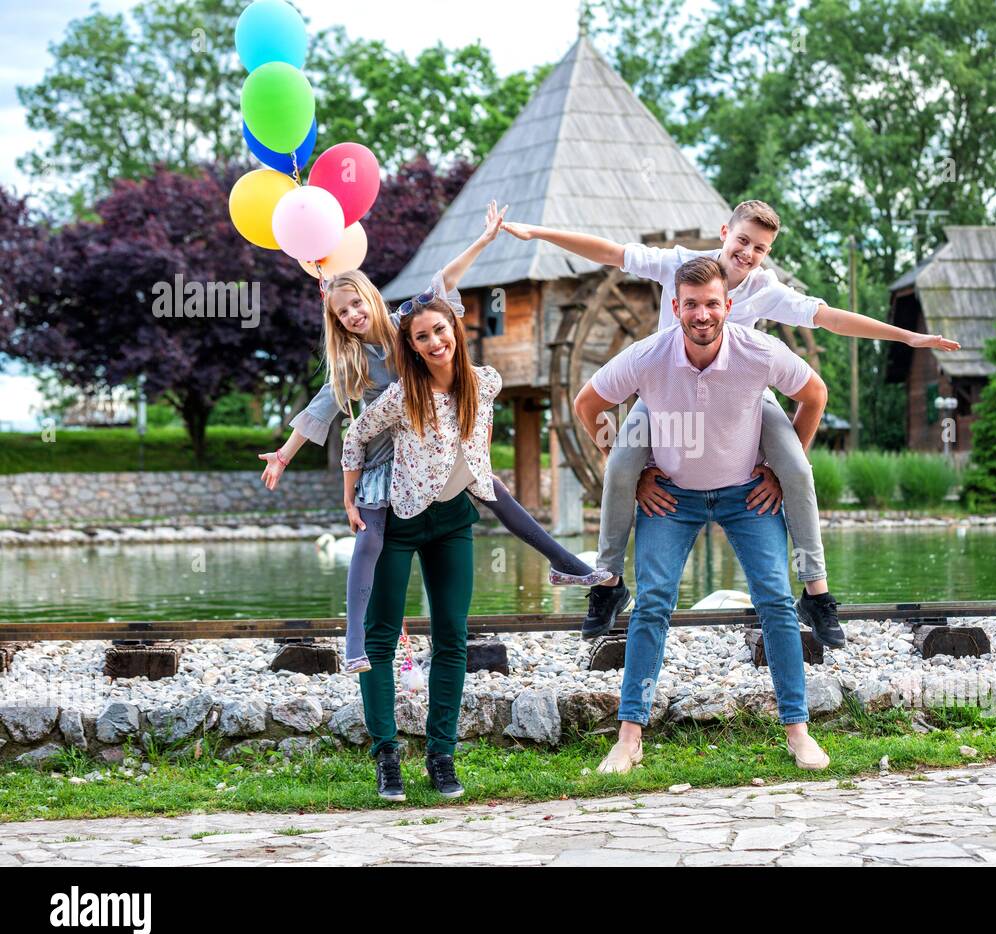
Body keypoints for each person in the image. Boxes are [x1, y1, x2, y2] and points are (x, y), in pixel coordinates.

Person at [504, 199, 960, 649]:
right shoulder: (681, 266)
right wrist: (536, 233)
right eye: (743, 240)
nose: (748, 253)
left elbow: (829, 318)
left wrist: (907, 336)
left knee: (798, 469)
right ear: (725, 233)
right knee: (620, 467)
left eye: (760, 248)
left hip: (745, 400)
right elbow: (610, 252)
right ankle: (608, 584)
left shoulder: (765, 288)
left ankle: (816, 594)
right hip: (667, 395)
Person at [259, 201, 608, 674]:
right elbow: (320, 410)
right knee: (369, 540)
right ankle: (355, 639)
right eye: (342, 313)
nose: (353, 314)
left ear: (371, 298)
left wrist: (484, 240)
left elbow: (442, 283)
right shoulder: (353, 363)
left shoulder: (408, 328)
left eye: (357, 303)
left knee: (494, 490)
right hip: (386, 460)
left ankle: (567, 563)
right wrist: (283, 455)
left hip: (434, 448)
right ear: (336, 322)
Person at [573, 256, 832, 774]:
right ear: (676, 307)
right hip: (671, 497)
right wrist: (636, 475)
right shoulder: (648, 356)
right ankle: (628, 738)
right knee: (651, 605)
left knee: (776, 601)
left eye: (712, 303)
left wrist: (779, 472)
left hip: (746, 495)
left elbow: (814, 394)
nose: (702, 314)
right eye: (691, 304)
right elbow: (587, 405)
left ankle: (798, 731)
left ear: (728, 306)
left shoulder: (759, 351)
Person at [340, 293, 496, 801]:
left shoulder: (482, 384)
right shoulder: (403, 393)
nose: (434, 342)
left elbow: (480, 438)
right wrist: (350, 499)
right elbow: (355, 436)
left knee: (452, 637)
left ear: (455, 330)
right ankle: (387, 756)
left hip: (452, 522)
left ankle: (441, 755)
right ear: (410, 346)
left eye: (439, 331)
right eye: (421, 337)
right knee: (381, 639)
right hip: (398, 521)